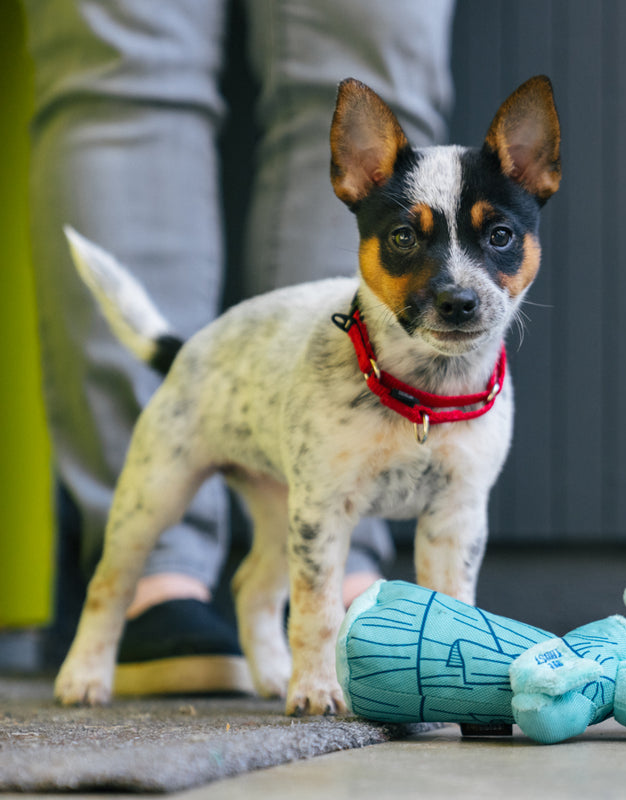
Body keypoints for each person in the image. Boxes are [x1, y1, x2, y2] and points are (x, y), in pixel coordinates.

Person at [24, 0, 455, 694]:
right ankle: (152, 586)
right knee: (133, 64)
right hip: (218, 381)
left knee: (129, 66)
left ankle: (342, 571)